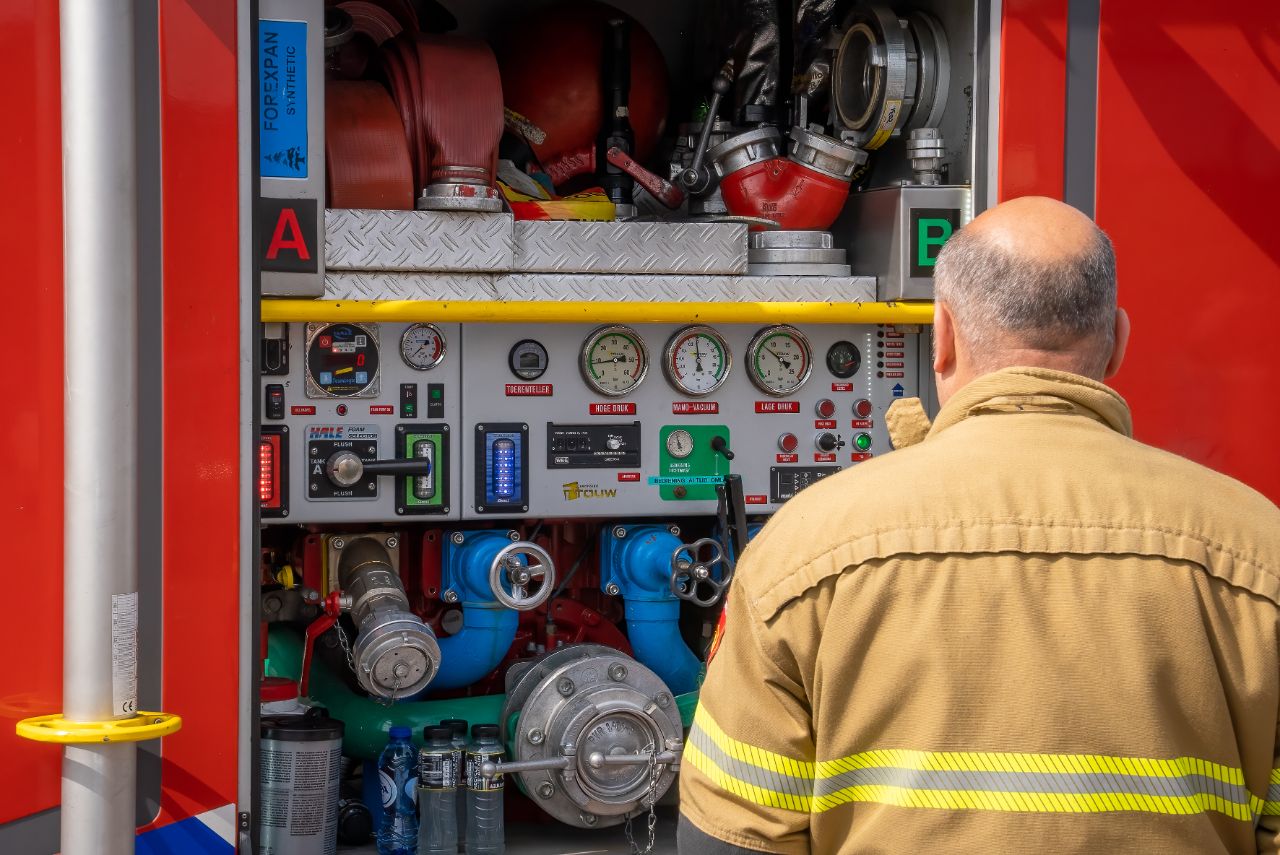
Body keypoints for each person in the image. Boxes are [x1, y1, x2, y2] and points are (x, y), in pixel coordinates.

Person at [677, 196, 1280, 854]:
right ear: (1117, 344)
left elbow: (733, 837)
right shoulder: (1257, 550)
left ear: (942, 338)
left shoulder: (801, 552)